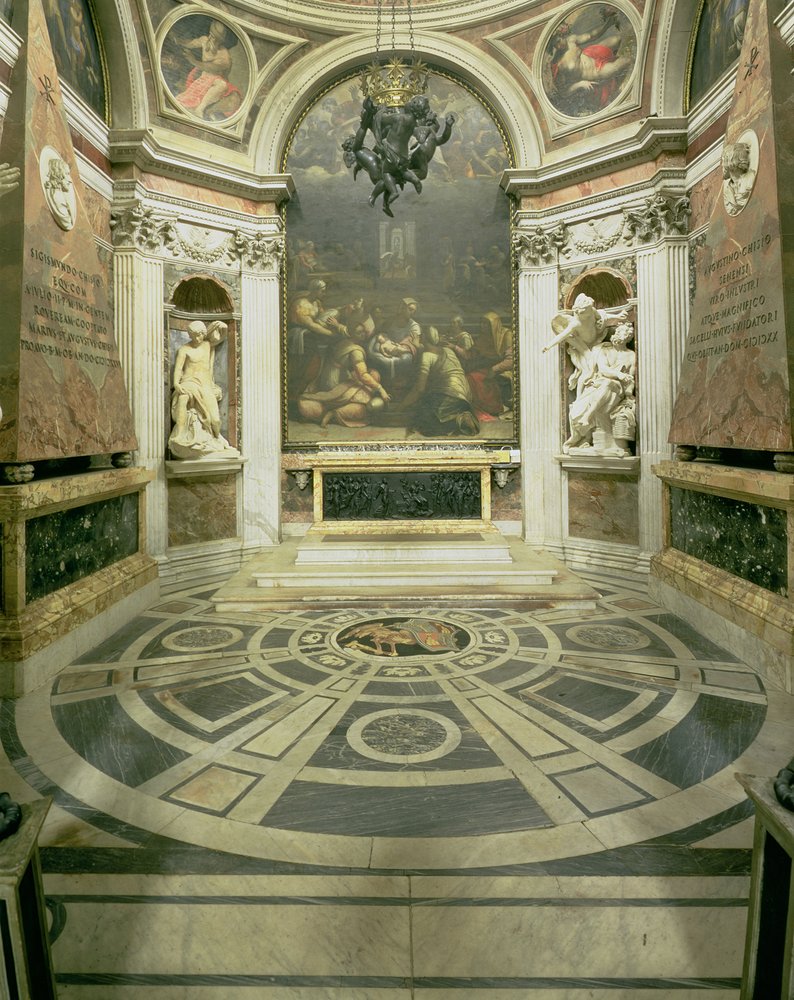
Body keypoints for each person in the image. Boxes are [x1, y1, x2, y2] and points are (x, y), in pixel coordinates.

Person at [169, 321, 239, 458]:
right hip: (189, 382)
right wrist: (177, 384)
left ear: (204, 334)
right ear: (190, 335)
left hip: (205, 385)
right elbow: (178, 369)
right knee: (183, 398)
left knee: (216, 420)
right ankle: (179, 435)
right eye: (194, 335)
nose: (197, 338)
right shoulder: (184, 349)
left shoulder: (208, 345)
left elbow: (224, 331)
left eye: (200, 335)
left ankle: (217, 437)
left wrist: (218, 324)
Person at [564, 323, 636, 455]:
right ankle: (586, 428)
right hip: (598, 385)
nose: (621, 335)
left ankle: (587, 416)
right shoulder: (604, 350)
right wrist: (619, 374)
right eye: (619, 332)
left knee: (608, 384)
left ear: (628, 338)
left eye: (625, 333)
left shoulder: (631, 355)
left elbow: (630, 378)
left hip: (617, 389)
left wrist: (629, 393)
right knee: (600, 387)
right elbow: (603, 369)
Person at [544, 293, 630, 397]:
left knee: (596, 370)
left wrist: (617, 316)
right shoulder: (575, 323)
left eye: (589, 308)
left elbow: (603, 317)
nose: (589, 311)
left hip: (597, 342)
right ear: (580, 311)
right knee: (587, 372)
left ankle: (594, 393)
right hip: (583, 347)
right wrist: (548, 346)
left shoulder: (591, 310)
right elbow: (562, 336)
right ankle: (579, 398)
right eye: (586, 310)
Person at [550, 10, 633, 113]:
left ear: (561, 36)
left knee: (617, 39)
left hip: (593, 54)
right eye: (555, 45)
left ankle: (612, 58)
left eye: (558, 41)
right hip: (594, 71)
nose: (559, 46)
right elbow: (563, 92)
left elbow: (591, 35)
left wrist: (607, 24)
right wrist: (580, 84)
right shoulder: (559, 64)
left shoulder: (570, 41)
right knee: (625, 62)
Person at [175, 20, 240, 120]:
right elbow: (192, 43)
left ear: (220, 40)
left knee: (222, 85)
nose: (210, 39)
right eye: (210, 34)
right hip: (203, 77)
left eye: (214, 38)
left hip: (216, 79)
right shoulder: (205, 40)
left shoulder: (224, 56)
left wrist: (193, 60)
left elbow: (209, 67)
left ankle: (200, 109)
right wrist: (179, 41)